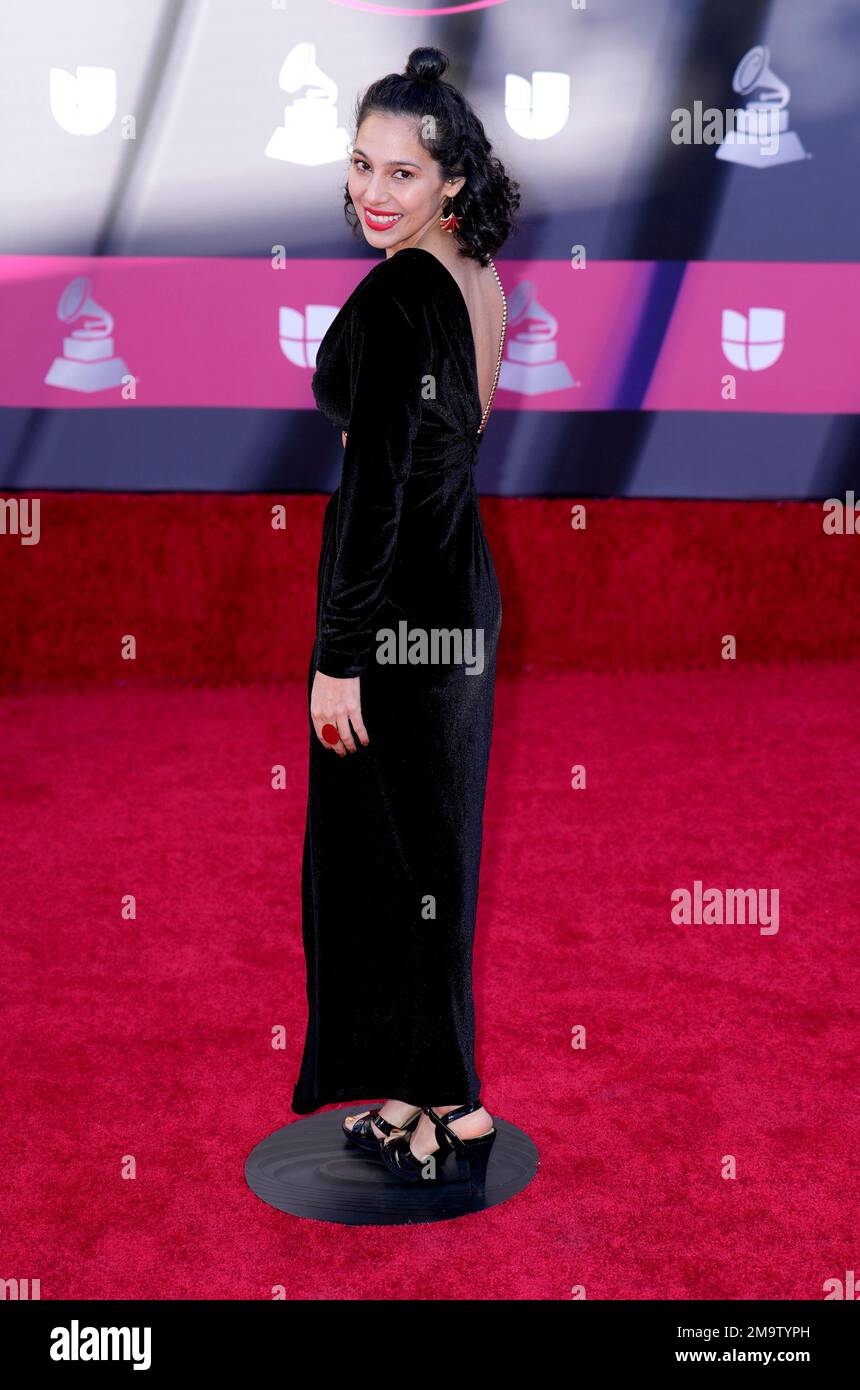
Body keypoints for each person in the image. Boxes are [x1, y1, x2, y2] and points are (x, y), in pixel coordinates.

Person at [291, 45, 520, 1188]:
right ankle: (421, 1090)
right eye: (360, 165)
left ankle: (455, 1106)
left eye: (404, 172)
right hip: (457, 589)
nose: (373, 192)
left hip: (394, 609)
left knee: (390, 858)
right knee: (427, 849)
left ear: (451, 183)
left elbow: (374, 493)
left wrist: (339, 660)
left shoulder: (393, 299)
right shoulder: (473, 277)